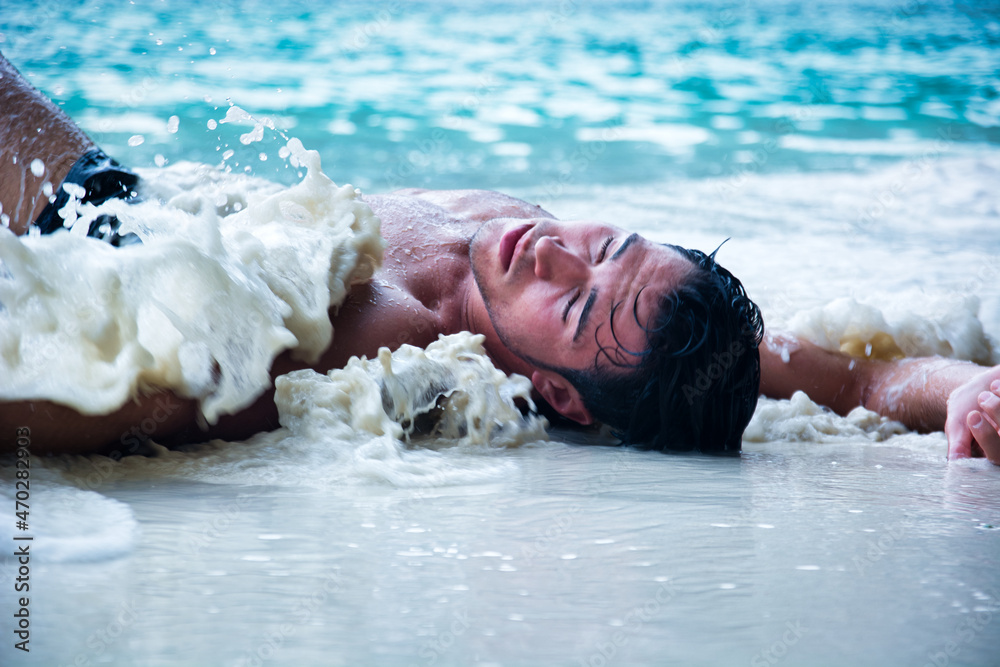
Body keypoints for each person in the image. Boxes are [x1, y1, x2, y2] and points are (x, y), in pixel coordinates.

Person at [2, 53, 999, 463]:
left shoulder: (394, 340)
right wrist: (967, 392)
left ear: (560, 396)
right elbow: (867, 374)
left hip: (107, 237)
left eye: (573, 306)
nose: (556, 254)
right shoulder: (657, 322)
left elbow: (140, 383)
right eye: (607, 245)